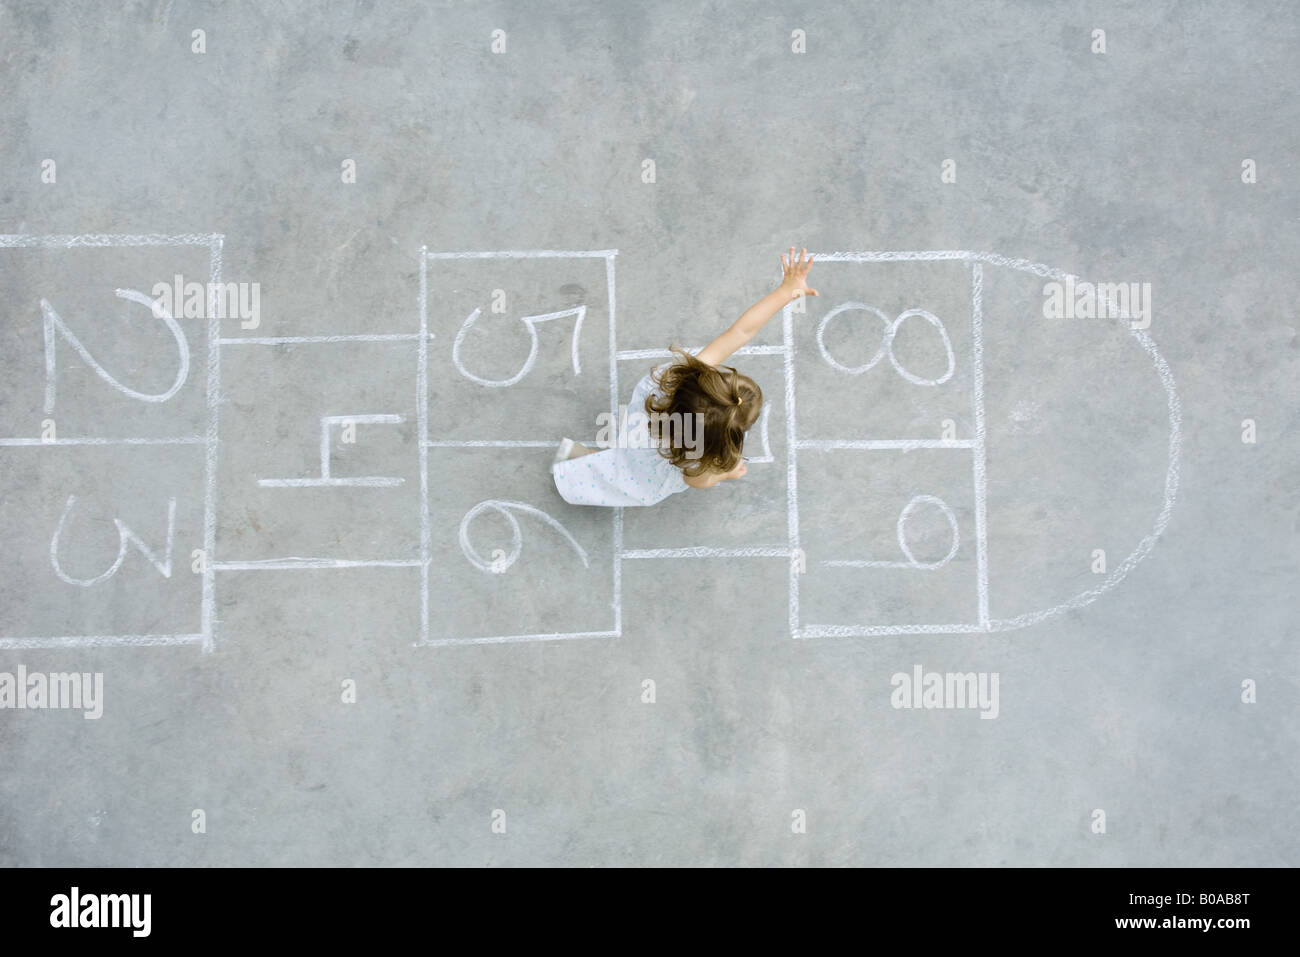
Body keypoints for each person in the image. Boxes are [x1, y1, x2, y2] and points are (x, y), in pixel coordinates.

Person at [552, 247, 818, 506]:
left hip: (642, 425)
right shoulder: (696, 456)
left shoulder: (683, 377)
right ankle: (579, 464)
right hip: (647, 465)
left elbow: (740, 332)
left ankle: (589, 457)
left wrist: (785, 291)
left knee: (626, 455)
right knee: (624, 475)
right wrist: (725, 471)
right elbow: (698, 481)